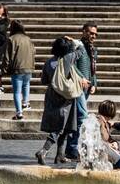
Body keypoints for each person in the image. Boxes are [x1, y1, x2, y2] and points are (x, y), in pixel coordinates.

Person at [35, 36, 88, 166]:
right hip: (66, 98)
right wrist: (75, 41)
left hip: (52, 95)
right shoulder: (68, 58)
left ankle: (60, 155)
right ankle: (43, 151)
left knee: (65, 126)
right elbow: (81, 50)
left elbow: (44, 81)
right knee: (60, 127)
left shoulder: (49, 62)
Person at [65, 22, 98, 159]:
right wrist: (81, 78)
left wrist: (94, 83)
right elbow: (71, 65)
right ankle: (75, 148)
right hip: (78, 87)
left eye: (95, 34)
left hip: (87, 87)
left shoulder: (93, 49)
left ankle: (72, 148)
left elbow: (94, 68)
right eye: (91, 33)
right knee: (83, 117)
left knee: (77, 118)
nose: (93, 36)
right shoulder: (77, 45)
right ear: (84, 31)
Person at [5, 20, 35, 120]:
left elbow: (7, 56)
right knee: (26, 85)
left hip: (17, 68)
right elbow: (33, 52)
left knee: (17, 92)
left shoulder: (11, 39)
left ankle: (19, 113)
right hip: (28, 67)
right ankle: (25, 103)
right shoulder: (28, 39)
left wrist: (4, 68)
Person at [97, 100, 120, 166]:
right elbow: (94, 140)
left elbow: (109, 138)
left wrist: (114, 143)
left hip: (105, 151)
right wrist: (108, 145)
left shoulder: (106, 123)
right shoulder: (97, 121)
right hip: (98, 153)